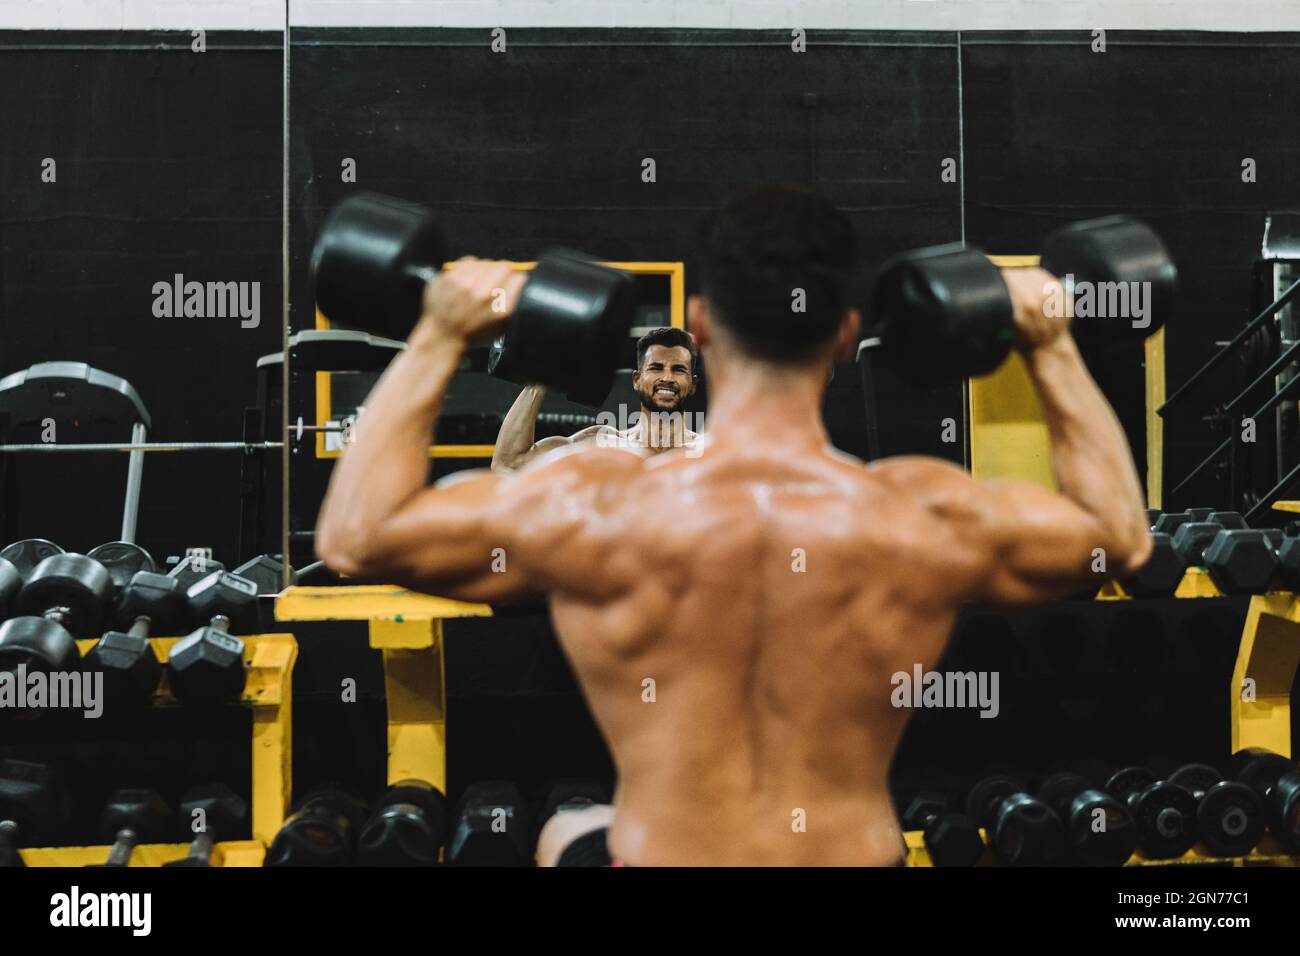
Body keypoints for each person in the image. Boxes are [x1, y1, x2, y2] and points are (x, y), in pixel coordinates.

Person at [315, 185, 1152, 866]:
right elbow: (1119, 536)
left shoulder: (599, 501)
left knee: (565, 832)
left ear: (704, 328)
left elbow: (357, 535)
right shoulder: (915, 511)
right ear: (844, 334)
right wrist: (1050, 341)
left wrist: (440, 331)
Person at [491, 326, 700, 472]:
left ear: (693, 384)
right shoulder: (603, 444)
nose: (667, 378)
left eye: (678, 370)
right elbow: (510, 464)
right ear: (636, 380)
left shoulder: (706, 452)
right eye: (656, 368)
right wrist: (543, 377)